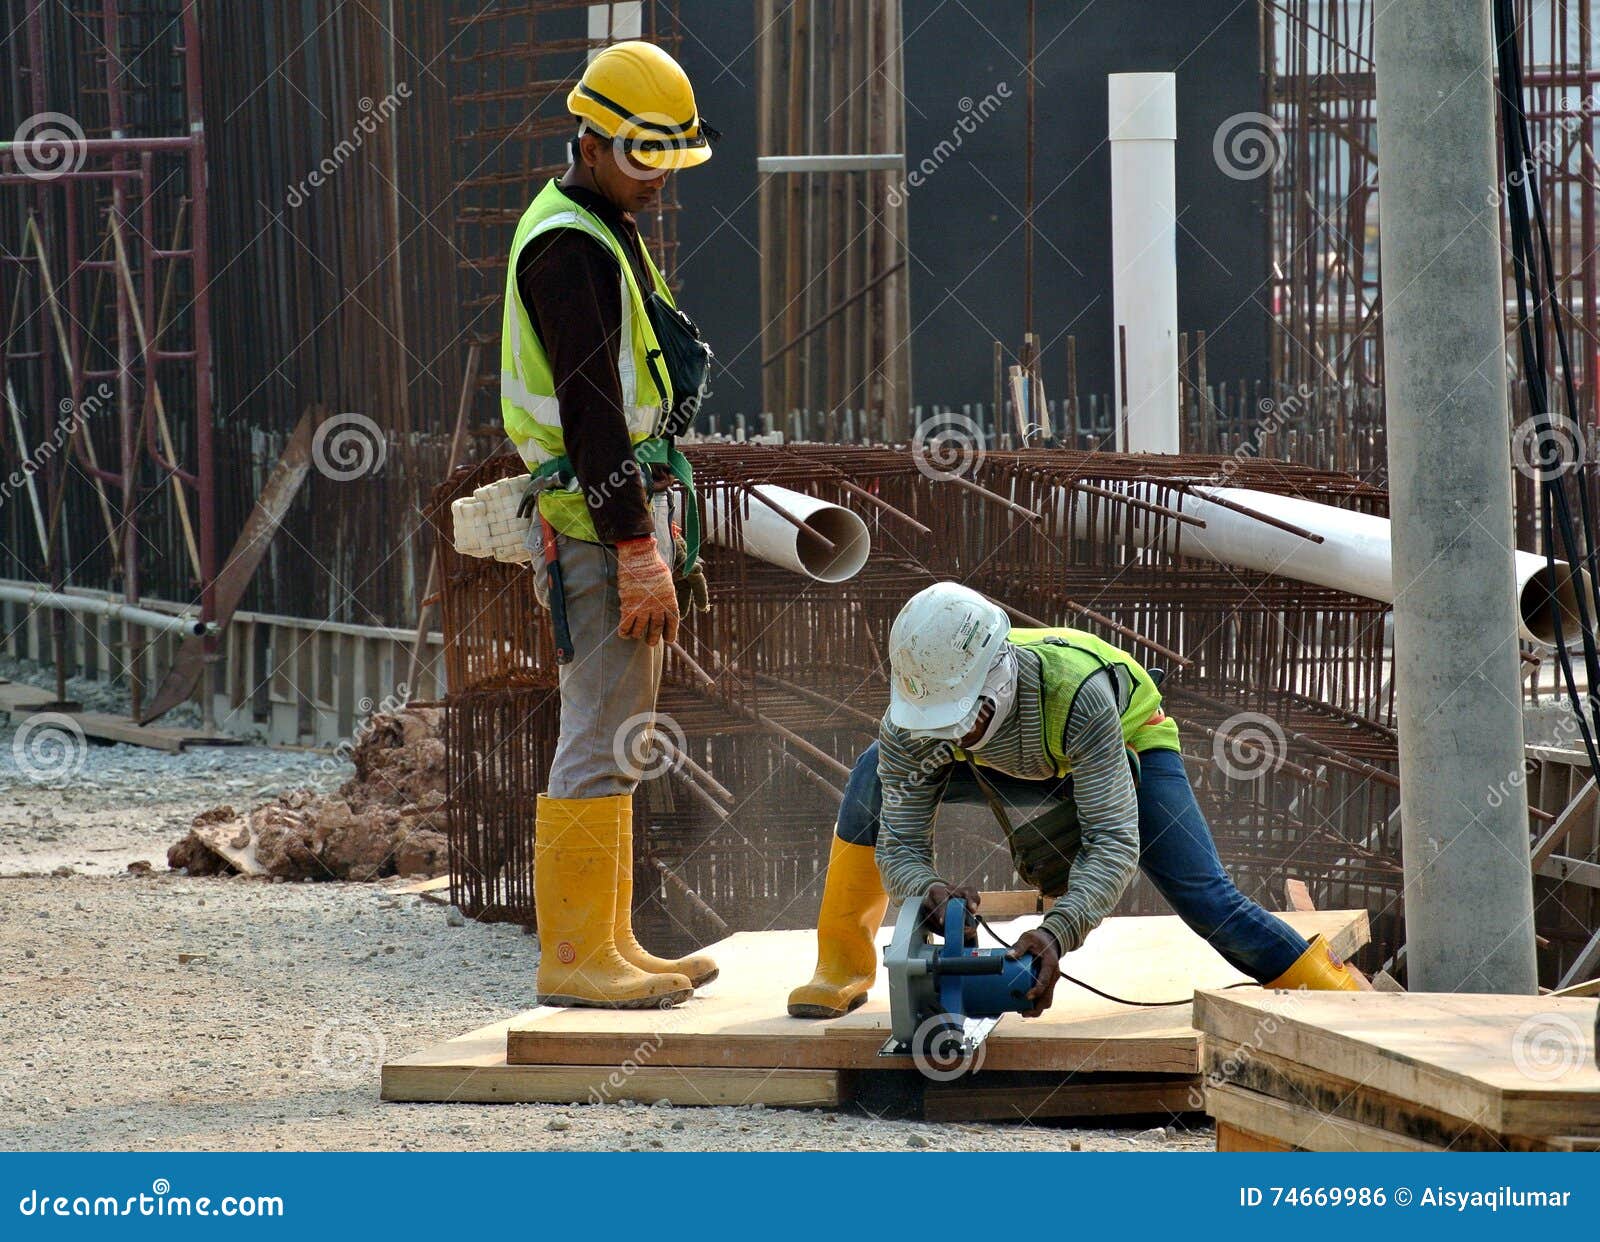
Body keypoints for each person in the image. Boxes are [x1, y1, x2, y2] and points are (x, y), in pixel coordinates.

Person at [788, 581, 1361, 1019]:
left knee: (1205, 895)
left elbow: (1113, 843)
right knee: (871, 775)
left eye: (962, 720)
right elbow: (900, 842)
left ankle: (1336, 995)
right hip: (1022, 758)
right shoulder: (916, 718)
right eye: (937, 726)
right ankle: (841, 965)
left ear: (999, 677)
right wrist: (926, 893)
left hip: (1122, 742)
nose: (952, 736)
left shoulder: (1076, 694)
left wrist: (1055, 933)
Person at [500, 40, 718, 1009]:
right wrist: (636, 547)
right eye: (642, 158)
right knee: (598, 733)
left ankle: (610, 943)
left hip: (609, 513)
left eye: (668, 159)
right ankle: (576, 958)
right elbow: (591, 412)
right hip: (597, 522)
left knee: (619, 731)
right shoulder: (570, 246)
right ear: (590, 144)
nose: (658, 178)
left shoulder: (601, 221)